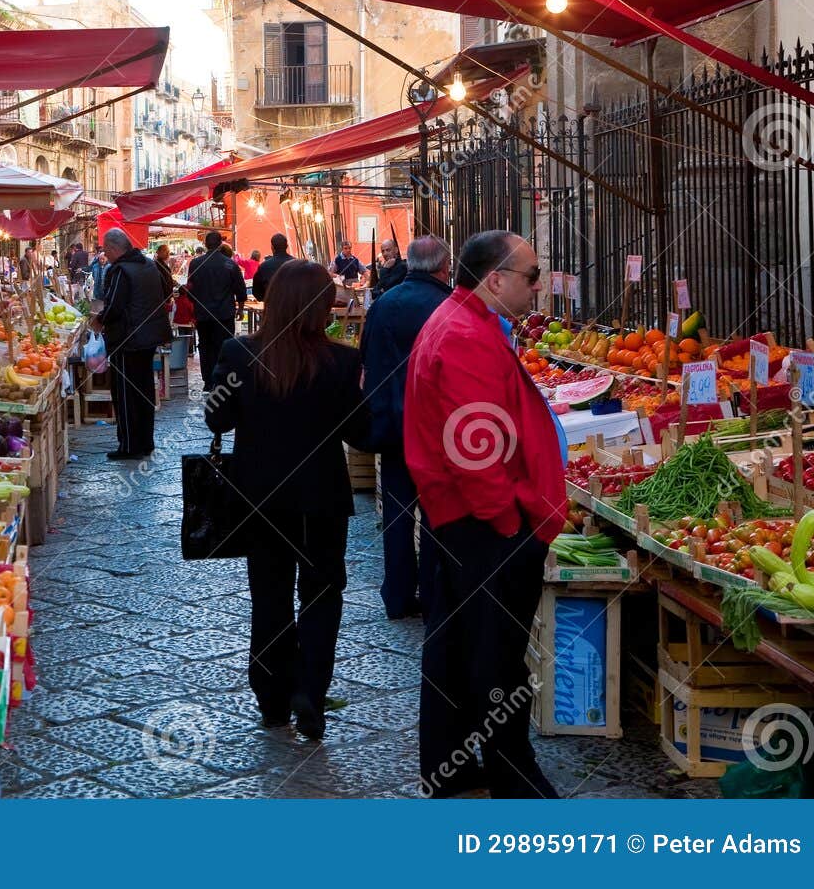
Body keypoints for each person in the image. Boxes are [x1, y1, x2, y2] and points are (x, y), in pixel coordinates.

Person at [405, 231, 563, 798]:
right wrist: (505, 520)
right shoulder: (467, 334)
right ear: (495, 280)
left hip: (461, 518)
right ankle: (512, 775)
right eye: (531, 274)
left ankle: (447, 765)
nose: (538, 286)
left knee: (456, 646)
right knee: (495, 655)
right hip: (481, 524)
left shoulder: (457, 321)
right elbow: (473, 449)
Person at [205, 261, 371, 737]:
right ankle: (310, 693)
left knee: (269, 597)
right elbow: (361, 433)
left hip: (260, 498)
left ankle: (272, 696)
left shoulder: (240, 354)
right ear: (319, 308)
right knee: (322, 595)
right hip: (321, 497)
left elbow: (217, 421)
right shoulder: (342, 362)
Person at [359, 235, 452, 619]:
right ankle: (432, 594)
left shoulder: (383, 304)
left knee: (397, 514)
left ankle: (397, 594)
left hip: (392, 426)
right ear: (445, 267)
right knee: (435, 512)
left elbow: (366, 359)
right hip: (436, 430)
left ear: (408, 264)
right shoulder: (449, 306)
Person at [93, 229, 171, 460]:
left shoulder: (120, 271)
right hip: (148, 337)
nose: (105, 254)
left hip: (127, 340)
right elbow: (167, 290)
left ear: (115, 249)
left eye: (106, 250)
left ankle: (129, 446)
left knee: (125, 393)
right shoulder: (148, 264)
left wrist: (100, 320)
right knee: (145, 390)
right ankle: (146, 442)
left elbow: (114, 306)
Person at [186, 230, 244, 391]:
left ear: (205, 244)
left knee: (205, 347)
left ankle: (208, 381)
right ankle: (222, 380)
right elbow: (240, 288)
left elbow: (190, 289)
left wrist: (196, 304)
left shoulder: (196, 263)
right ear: (220, 244)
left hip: (203, 314)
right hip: (224, 314)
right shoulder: (230, 264)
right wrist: (240, 308)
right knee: (224, 346)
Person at [252, 233, 293, 302]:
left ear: (272, 247)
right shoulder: (297, 264)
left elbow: (256, 292)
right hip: (294, 309)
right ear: (287, 246)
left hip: (272, 308)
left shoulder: (264, 266)